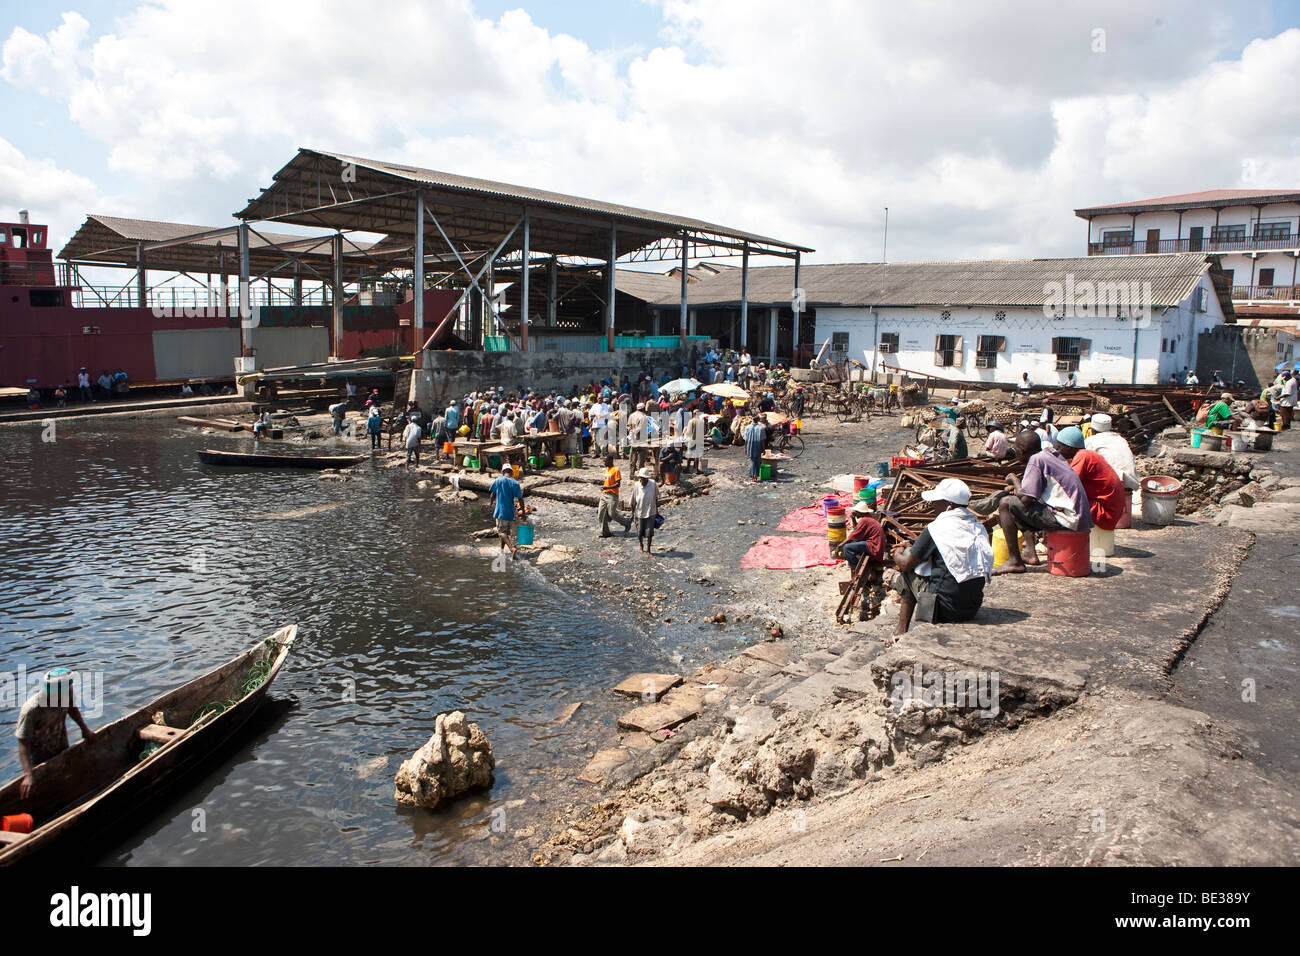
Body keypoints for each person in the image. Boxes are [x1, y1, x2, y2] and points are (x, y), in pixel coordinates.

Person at [889, 478, 994, 635]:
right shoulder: (978, 527)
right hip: (972, 607)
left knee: (907, 570)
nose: (932, 505)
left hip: (944, 610)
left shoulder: (937, 528)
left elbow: (906, 564)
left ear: (949, 505)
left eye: (936, 501)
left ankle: (900, 631)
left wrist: (898, 553)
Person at [993, 429, 1092, 575]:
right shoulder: (1050, 455)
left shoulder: (1036, 460)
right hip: (1078, 517)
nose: (1016, 454)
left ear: (1022, 450)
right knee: (1022, 505)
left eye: (1016, 450)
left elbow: (1026, 499)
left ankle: (1015, 561)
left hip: (1069, 519)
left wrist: (1014, 479)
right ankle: (1030, 553)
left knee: (1006, 503)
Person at [16, 667, 97, 798]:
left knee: (67, 780)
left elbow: (72, 708)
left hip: (61, 746)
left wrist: (84, 728)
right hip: (38, 758)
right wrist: (28, 775)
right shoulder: (31, 709)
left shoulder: (65, 693)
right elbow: (23, 743)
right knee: (46, 791)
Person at [1054, 426, 1127, 530]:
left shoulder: (1083, 456)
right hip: (1112, 508)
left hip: (1105, 511)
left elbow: (1069, 484)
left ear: (1069, 447)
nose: (1058, 451)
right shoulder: (1089, 455)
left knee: (1062, 503)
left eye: (1059, 447)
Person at [1084, 414, 1139, 490]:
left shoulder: (1092, 440)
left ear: (1092, 430)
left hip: (1114, 483)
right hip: (1131, 483)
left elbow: (1084, 461)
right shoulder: (1120, 439)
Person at [489, 465, 526, 558]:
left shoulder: (498, 480)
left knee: (501, 532)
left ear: (502, 472)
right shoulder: (515, 483)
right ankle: (501, 550)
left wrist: (490, 503)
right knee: (505, 532)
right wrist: (523, 512)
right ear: (512, 472)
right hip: (510, 511)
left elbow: (492, 494)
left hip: (500, 511)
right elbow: (520, 499)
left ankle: (512, 548)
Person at [841, 496, 885, 571]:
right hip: (876, 544)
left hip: (874, 546)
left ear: (860, 512)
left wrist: (839, 546)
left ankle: (855, 567)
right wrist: (853, 519)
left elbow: (853, 535)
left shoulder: (865, 520)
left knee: (846, 548)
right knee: (852, 543)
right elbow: (856, 530)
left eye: (856, 512)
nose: (855, 513)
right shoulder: (868, 518)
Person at [597, 453, 631, 538]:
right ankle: (605, 532)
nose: (604, 462)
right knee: (601, 513)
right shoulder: (607, 470)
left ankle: (626, 522)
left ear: (610, 460)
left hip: (612, 495)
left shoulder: (616, 470)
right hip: (604, 494)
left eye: (605, 461)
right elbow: (607, 481)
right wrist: (604, 487)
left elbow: (618, 484)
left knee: (612, 513)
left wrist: (607, 487)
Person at [631, 467, 659, 556]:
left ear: (647, 478)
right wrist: (632, 512)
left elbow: (656, 497)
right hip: (639, 511)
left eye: (644, 478)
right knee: (639, 532)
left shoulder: (653, 484)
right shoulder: (636, 485)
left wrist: (657, 510)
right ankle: (641, 545)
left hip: (651, 512)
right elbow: (633, 500)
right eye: (641, 478)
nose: (642, 480)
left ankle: (649, 549)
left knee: (649, 533)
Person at [743, 415, 766, 482]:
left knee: (752, 460)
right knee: (758, 461)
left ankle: (753, 476)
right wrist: (763, 449)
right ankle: (755, 476)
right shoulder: (761, 428)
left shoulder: (747, 428)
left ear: (752, 420)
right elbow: (762, 440)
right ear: (758, 420)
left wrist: (745, 448)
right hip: (758, 445)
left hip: (750, 445)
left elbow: (746, 439)